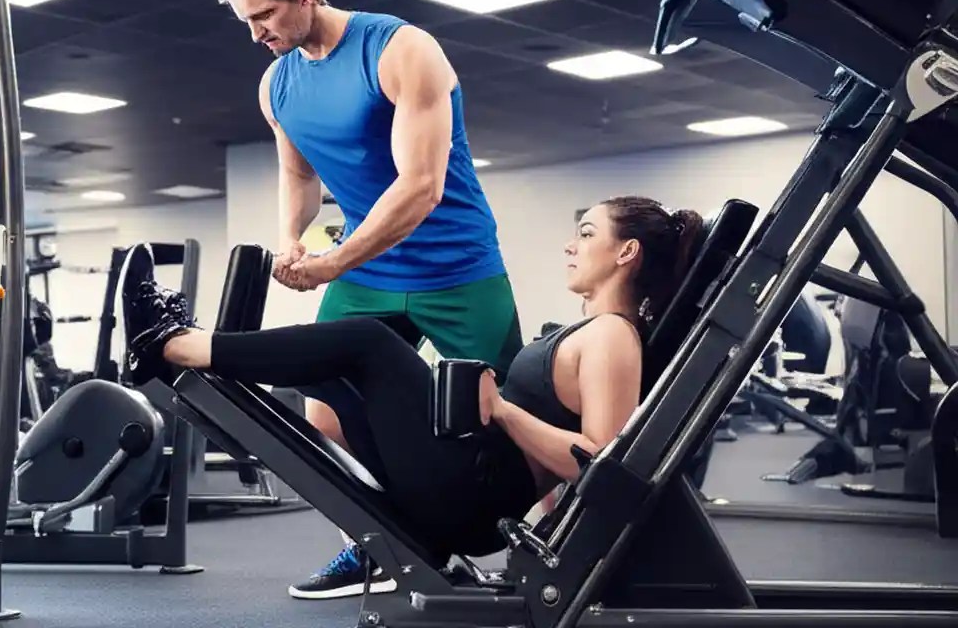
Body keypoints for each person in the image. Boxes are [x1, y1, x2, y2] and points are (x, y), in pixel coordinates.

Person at [122, 196, 705, 596]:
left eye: (586, 234)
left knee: (371, 343)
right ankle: (213, 396)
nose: (570, 247)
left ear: (626, 253)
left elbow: (599, 467)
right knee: (329, 369)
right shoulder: (588, 330)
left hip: (474, 493)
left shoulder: (612, 338)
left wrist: (501, 411)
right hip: (470, 479)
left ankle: (172, 343)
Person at [213, 0, 524, 597]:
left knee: (511, 419)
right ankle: (378, 545)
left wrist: (332, 262)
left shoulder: (401, 49)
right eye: (246, 20)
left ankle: (556, 559)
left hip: (459, 268)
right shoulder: (278, 85)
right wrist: (292, 240)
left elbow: (421, 186)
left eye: (264, 15)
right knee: (325, 416)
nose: (256, 33)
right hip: (364, 276)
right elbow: (299, 177)